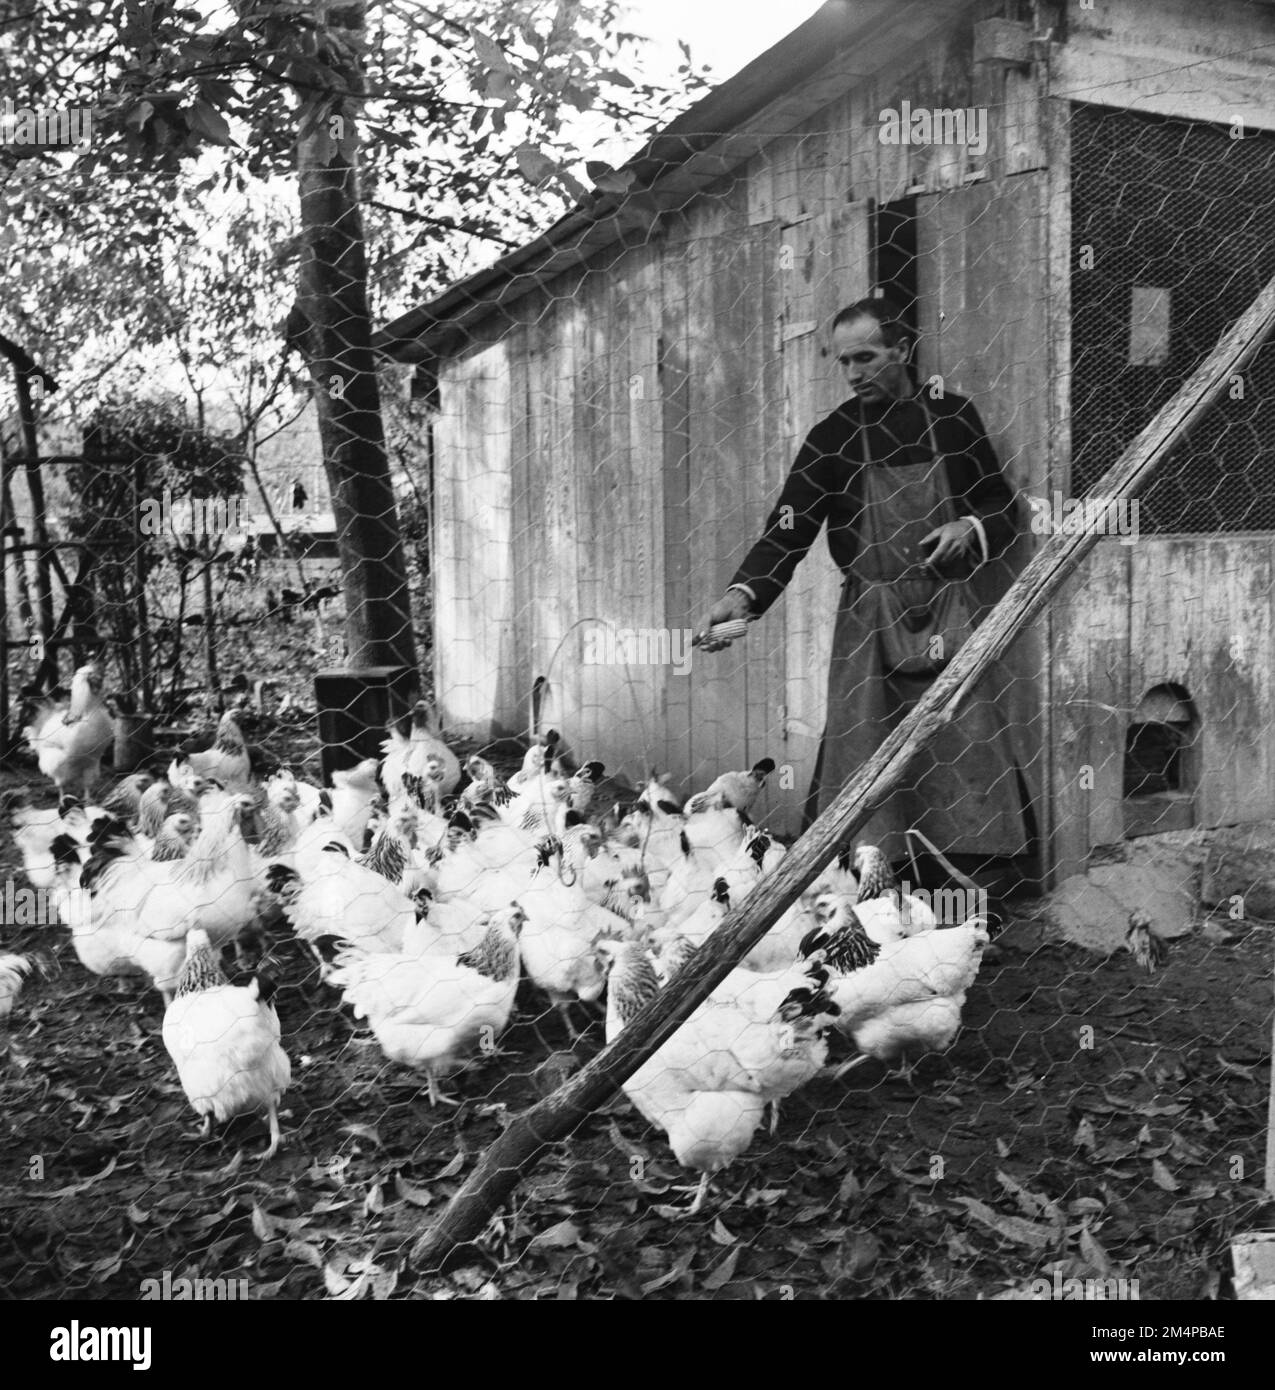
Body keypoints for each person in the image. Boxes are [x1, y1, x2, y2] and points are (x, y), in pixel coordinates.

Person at [695, 298, 1031, 871]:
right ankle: (868, 876)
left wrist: (969, 526)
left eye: (867, 357)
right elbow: (785, 533)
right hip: (868, 621)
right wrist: (742, 595)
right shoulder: (833, 437)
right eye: (844, 361)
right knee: (864, 745)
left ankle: (970, 883)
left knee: (962, 740)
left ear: (902, 351)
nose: (853, 373)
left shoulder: (953, 418)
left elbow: (1002, 505)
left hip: (947, 613)